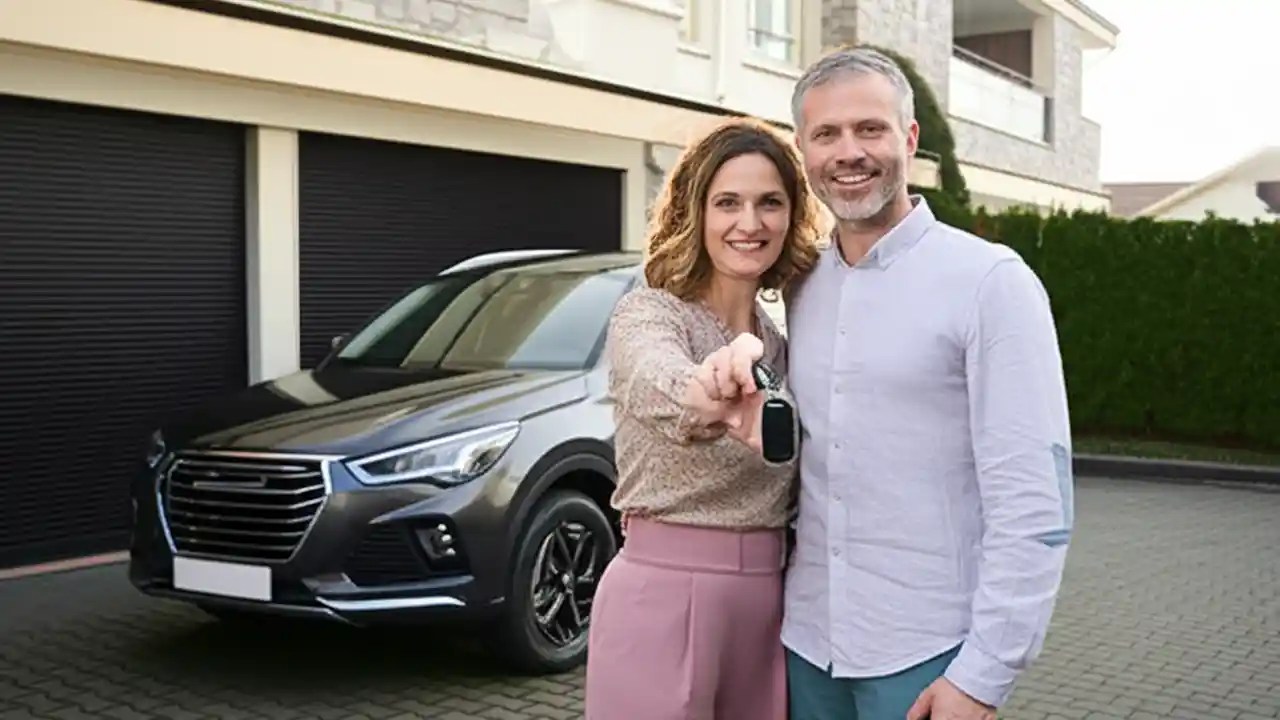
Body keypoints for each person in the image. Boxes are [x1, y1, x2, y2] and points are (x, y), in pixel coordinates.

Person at [777, 47, 1075, 720]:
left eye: (870, 129)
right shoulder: (797, 285)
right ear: (803, 150)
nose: (849, 151)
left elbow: (1035, 500)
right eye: (827, 134)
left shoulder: (989, 283)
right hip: (803, 648)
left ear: (909, 140)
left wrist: (984, 675)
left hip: (927, 658)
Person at [583, 117, 823, 720]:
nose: (751, 222)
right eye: (728, 203)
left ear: (792, 217)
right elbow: (655, 379)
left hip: (770, 603)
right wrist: (708, 387)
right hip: (663, 598)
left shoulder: (784, 343)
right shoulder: (650, 314)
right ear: (696, 213)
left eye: (770, 202)